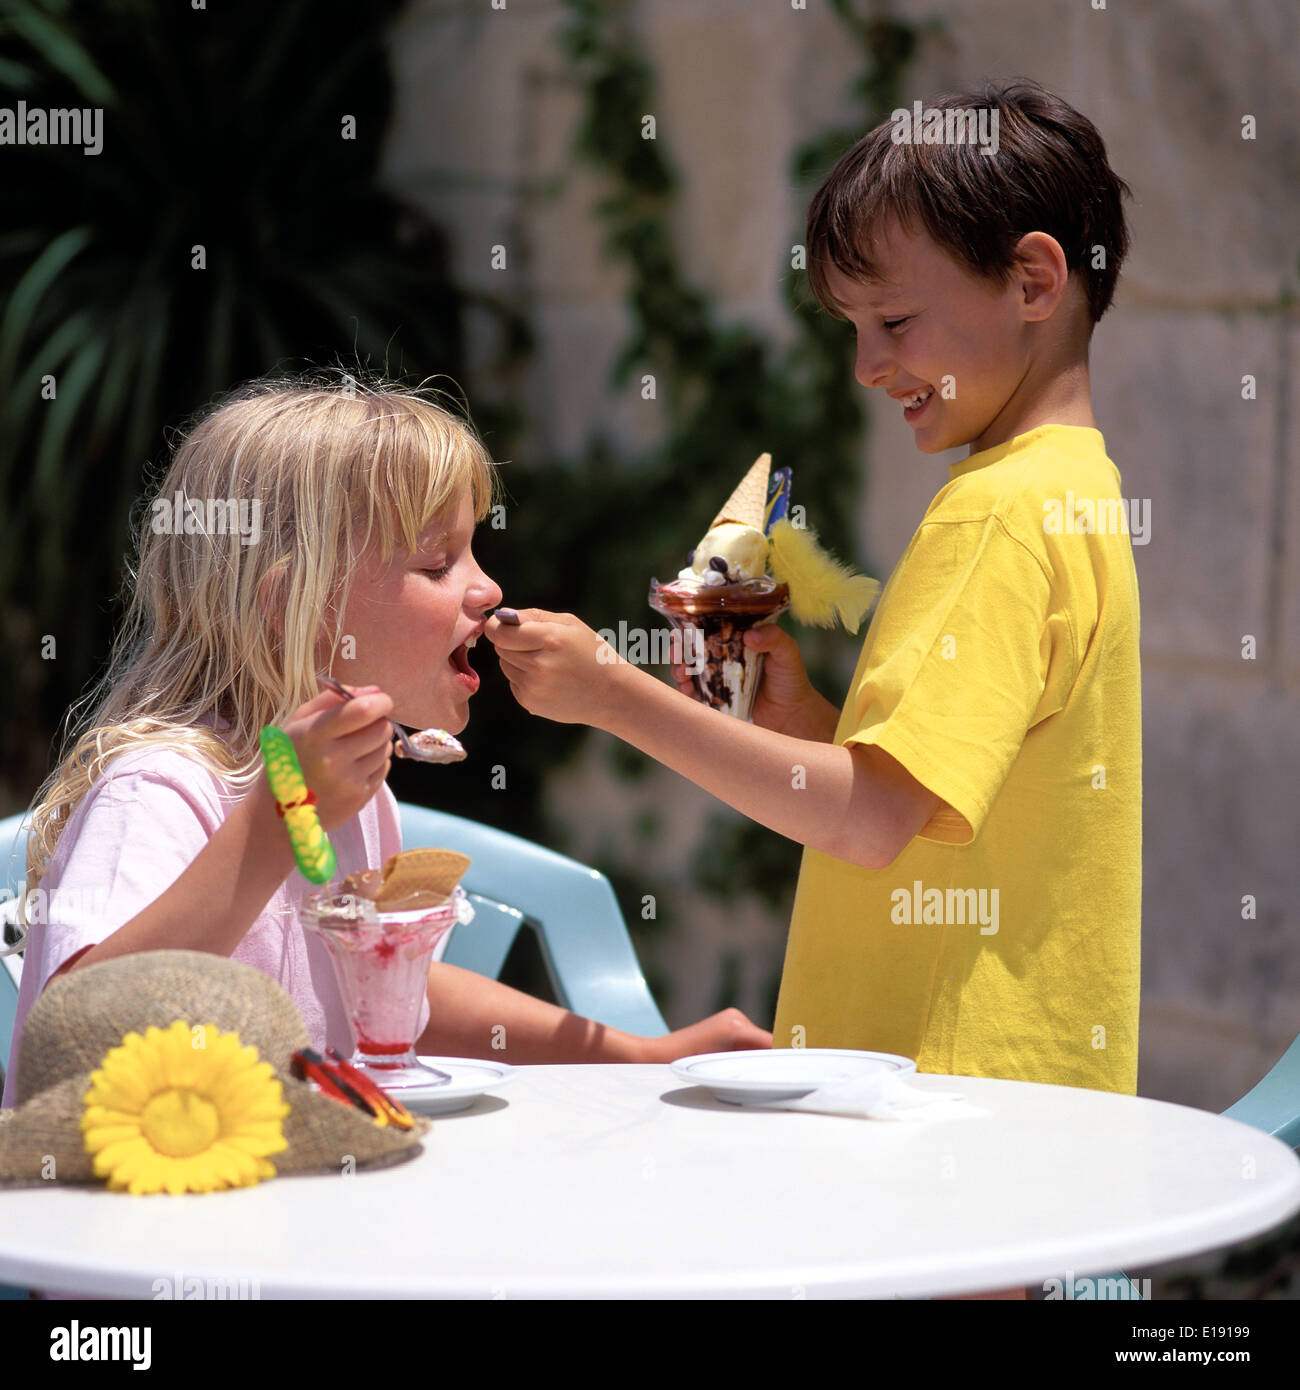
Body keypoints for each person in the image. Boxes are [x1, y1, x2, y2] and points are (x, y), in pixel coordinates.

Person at [488, 77, 1140, 1227]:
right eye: (852, 330)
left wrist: (610, 694)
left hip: (938, 1121)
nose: (866, 366)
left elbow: (868, 822)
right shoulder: (1073, 493)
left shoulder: (994, 516)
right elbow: (913, 803)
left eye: (893, 322)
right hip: (1015, 1109)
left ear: (1035, 281)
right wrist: (801, 721)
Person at [3, 374, 771, 1109]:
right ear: (294, 608)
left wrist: (636, 1054)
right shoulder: (159, 792)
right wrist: (283, 817)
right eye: (437, 563)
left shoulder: (358, 799)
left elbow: (386, 988)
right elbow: (76, 1036)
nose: (488, 589)